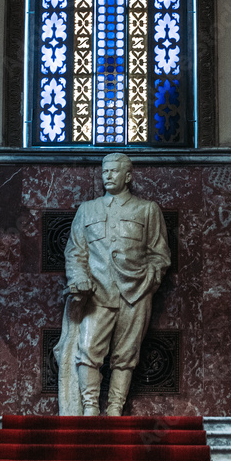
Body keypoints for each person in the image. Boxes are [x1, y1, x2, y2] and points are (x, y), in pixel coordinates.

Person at [57, 153, 171, 416]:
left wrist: (150, 278)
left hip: (136, 292)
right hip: (97, 293)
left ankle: (115, 408)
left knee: (126, 354)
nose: (107, 176)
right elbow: (75, 252)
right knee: (88, 349)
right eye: (104, 171)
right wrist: (79, 279)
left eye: (113, 172)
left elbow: (160, 254)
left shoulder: (147, 209)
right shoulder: (87, 209)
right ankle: (89, 407)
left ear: (128, 176)